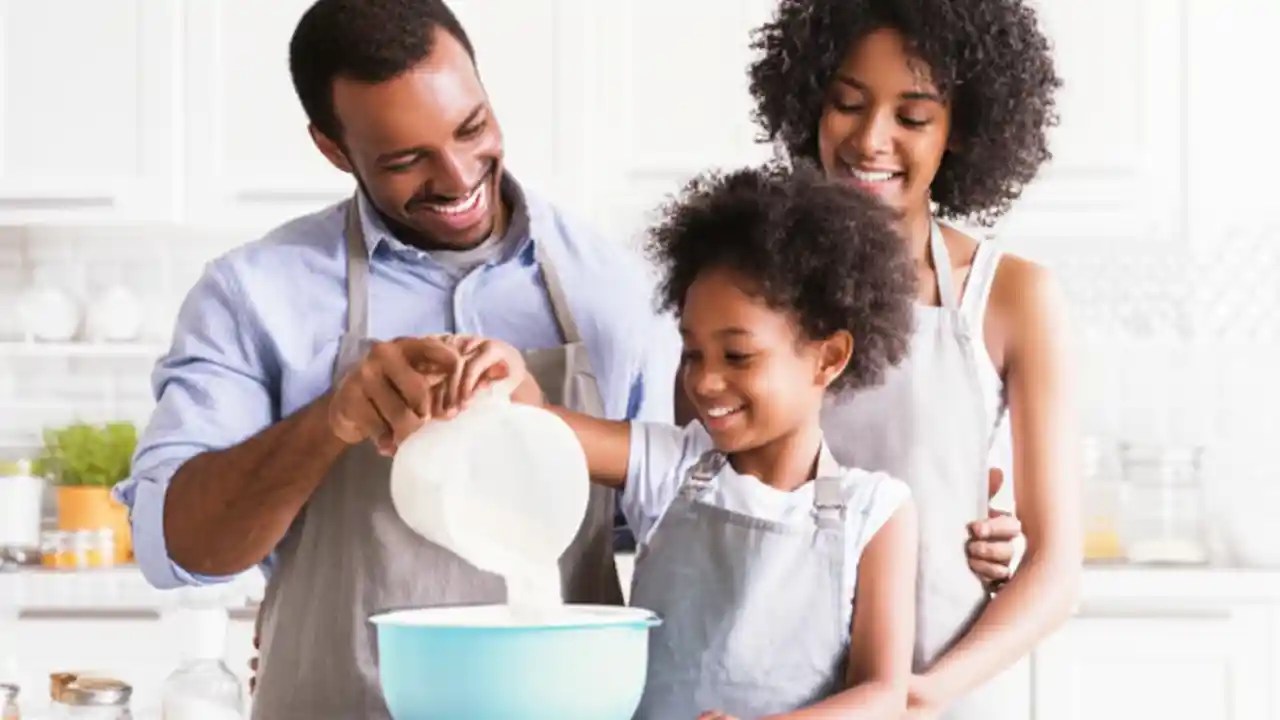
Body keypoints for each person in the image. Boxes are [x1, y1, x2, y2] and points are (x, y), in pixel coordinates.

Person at [111, 0, 676, 717]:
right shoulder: (253, 295)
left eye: (472, 128)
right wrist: (331, 420)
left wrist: (546, 424)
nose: (458, 175)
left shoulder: (616, 287)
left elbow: (688, 524)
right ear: (334, 149)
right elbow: (179, 547)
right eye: (406, 160)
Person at [425, 163, 922, 720]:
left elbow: (883, 694)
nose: (705, 381)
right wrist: (504, 369)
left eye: (738, 356)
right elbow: (535, 423)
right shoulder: (669, 468)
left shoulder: (874, 512)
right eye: (692, 353)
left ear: (828, 358)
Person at [744, 0, 1083, 716]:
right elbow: (698, 481)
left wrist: (925, 695)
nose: (871, 140)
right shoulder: (750, 283)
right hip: (771, 691)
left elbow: (1055, 570)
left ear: (962, 129)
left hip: (939, 684)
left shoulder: (1011, 296)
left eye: (913, 116)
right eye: (846, 104)